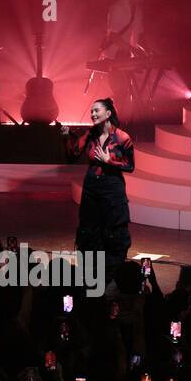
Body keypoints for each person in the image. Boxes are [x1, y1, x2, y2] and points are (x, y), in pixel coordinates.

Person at [60, 98, 135, 280]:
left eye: (96, 111)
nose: (93, 114)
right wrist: (66, 138)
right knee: (89, 231)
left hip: (112, 192)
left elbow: (130, 165)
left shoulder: (122, 137)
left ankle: (110, 276)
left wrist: (109, 160)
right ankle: (90, 276)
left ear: (108, 113)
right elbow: (73, 155)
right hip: (91, 190)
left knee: (112, 232)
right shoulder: (90, 135)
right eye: (91, 111)